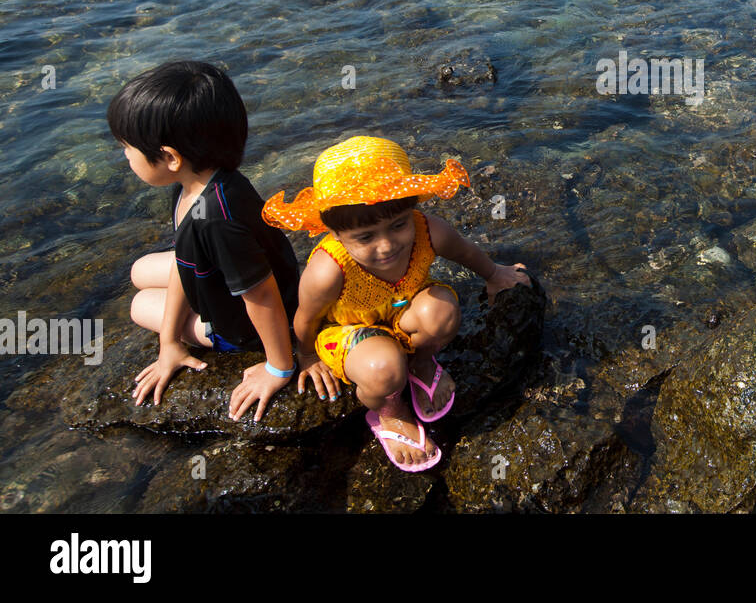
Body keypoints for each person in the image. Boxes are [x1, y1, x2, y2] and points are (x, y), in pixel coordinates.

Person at [262, 136, 529, 472]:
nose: (387, 245)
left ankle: (420, 364)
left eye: (398, 225)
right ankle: (389, 411)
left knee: (442, 311)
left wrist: (494, 273)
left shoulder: (427, 230)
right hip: (349, 329)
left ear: (412, 207)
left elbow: (464, 252)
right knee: (383, 369)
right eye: (366, 237)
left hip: (403, 309)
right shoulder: (328, 270)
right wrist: (306, 356)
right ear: (335, 233)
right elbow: (306, 317)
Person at [108, 60, 300, 423]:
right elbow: (185, 260)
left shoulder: (216, 218)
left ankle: (233, 341)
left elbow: (260, 295)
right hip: (227, 272)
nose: (125, 156)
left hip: (242, 327)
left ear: (169, 157)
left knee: (139, 306)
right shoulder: (197, 182)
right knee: (140, 270)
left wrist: (279, 366)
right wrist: (168, 342)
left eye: (128, 148)